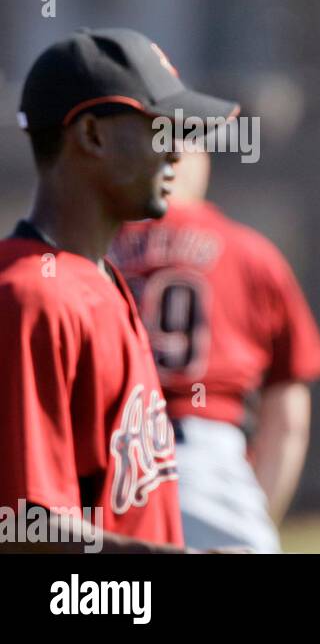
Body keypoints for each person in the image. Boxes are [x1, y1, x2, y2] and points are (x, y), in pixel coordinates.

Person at [0, 28, 236, 553]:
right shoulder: (30, 296)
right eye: (160, 127)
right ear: (91, 135)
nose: (179, 151)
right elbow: (21, 527)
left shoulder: (96, 278)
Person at [110, 148, 320, 553]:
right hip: (207, 458)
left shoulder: (90, 252)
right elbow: (288, 415)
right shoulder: (249, 252)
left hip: (107, 461)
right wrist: (257, 509)